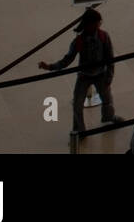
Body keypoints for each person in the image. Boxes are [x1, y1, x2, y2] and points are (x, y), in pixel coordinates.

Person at [37, 8, 124, 136]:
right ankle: (79, 129)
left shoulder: (103, 36)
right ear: (89, 24)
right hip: (84, 76)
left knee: (107, 99)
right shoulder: (79, 41)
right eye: (97, 22)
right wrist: (50, 67)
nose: (99, 25)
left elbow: (110, 58)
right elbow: (67, 60)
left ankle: (108, 117)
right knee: (77, 104)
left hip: (101, 74)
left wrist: (109, 76)